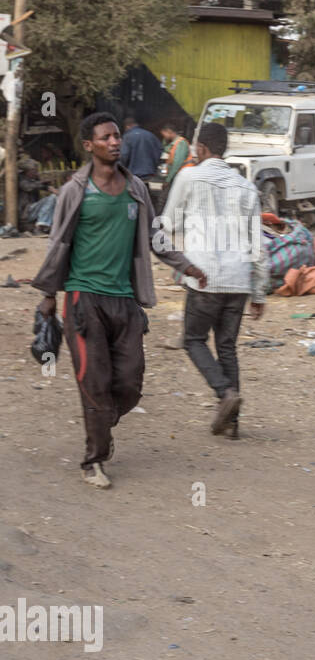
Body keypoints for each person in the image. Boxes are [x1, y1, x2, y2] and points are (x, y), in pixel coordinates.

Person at [32, 112, 207, 489]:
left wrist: (187, 265)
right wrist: (49, 295)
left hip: (125, 301)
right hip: (82, 299)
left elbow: (154, 238)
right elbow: (56, 243)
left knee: (129, 385)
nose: (115, 142)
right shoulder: (75, 190)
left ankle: (101, 422)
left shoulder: (135, 189)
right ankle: (93, 459)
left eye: (116, 136)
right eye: (106, 137)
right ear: (89, 145)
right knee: (94, 381)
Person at [162, 122, 266, 439]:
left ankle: (224, 394)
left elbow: (168, 223)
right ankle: (232, 423)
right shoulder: (246, 186)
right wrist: (259, 292)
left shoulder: (188, 177)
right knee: (227, 347)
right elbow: (257, 245)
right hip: (238, 279)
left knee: (193, 340)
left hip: (203, 276)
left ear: (201, 149)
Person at [119, 115, 163, 180]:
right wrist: (154, 164)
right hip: (150, 173)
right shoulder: (150, 135)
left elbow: (124, 155)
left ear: (127, 126)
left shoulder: (127, 137)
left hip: (133, 175)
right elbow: (160, 150)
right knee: (145, 189)